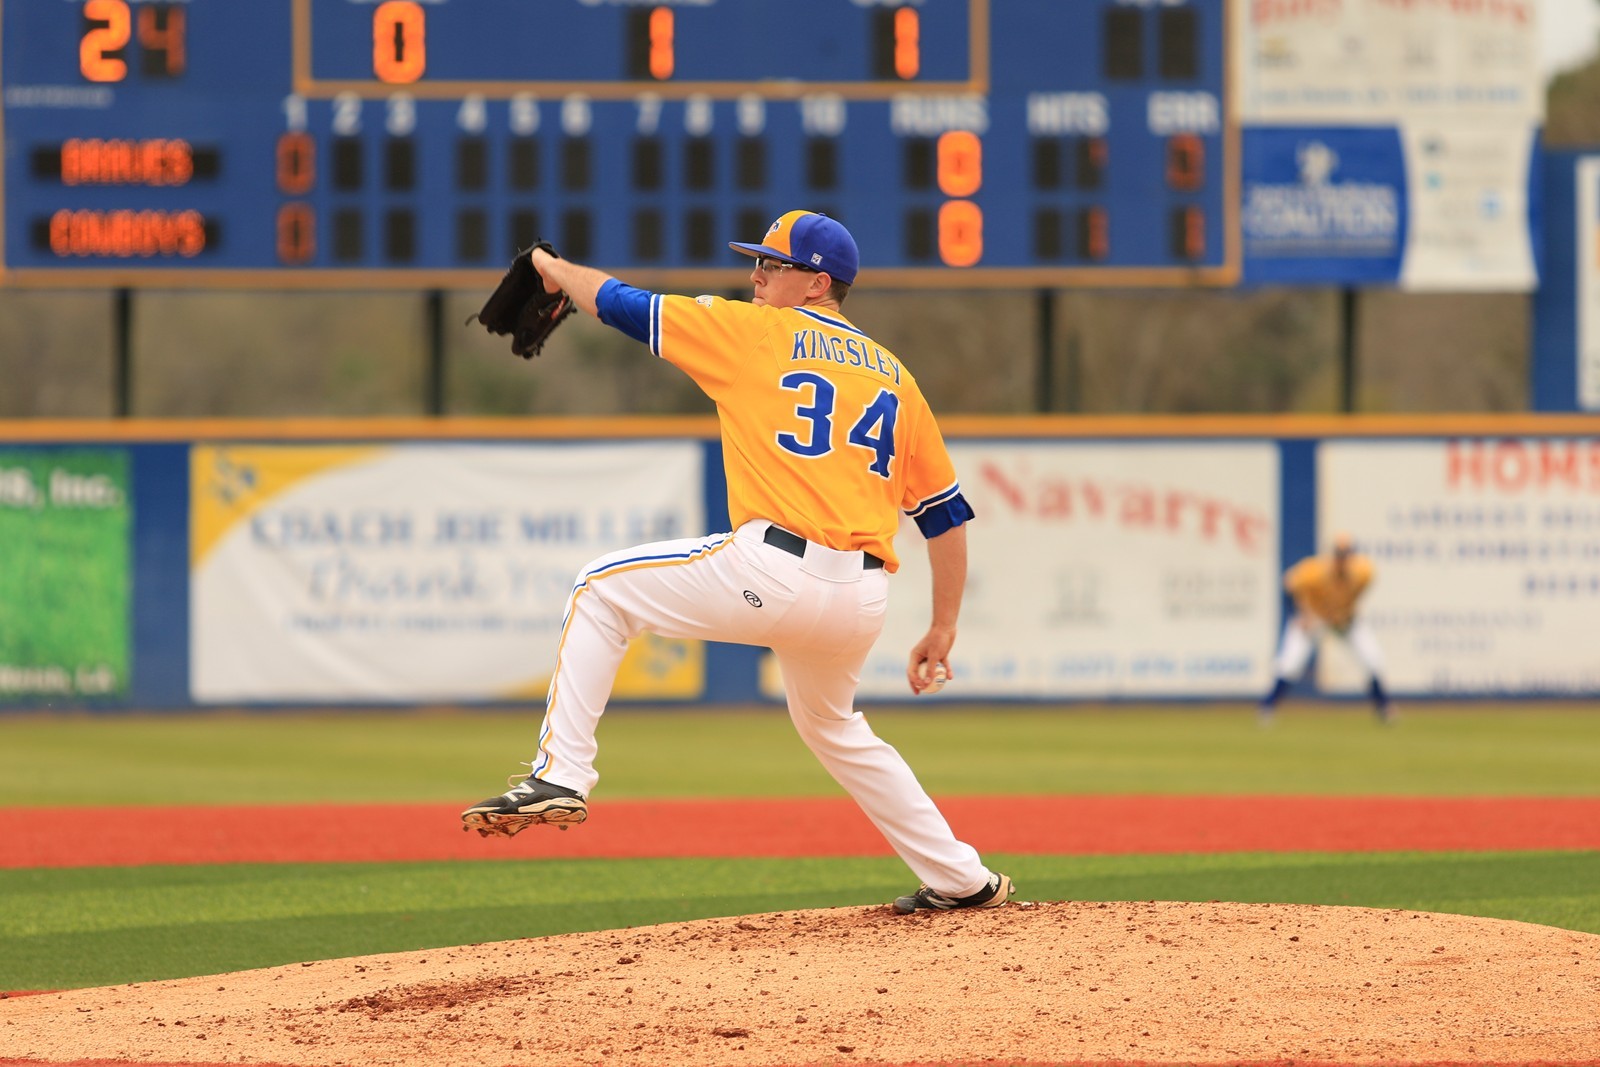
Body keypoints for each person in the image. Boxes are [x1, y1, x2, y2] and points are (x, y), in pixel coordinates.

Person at [462, 210, 1013, 914]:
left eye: (772, 265)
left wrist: (549, 268)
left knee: (600, 590)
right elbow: (944, 513)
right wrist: (943, 625)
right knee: (836, 726)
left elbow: (617, 301)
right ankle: (963, 877)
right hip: (860, 602)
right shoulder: (897, 377)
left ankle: (561, 774)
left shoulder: (754, 332)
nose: (755, 275)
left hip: (774, 570)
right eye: (757, 262)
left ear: (817, 284)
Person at [1258, 531, 1393, 724]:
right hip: (1315, 619)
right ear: (1333, 555)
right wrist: (1302, 616)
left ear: (1351, 556)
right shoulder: (1315, 570)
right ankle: (1267, 708)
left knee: (1373, 659)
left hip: (1344, 620)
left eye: (1346, 555)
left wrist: (1347, 611)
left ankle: (1385, 708)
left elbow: (1359, 593)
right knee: (1289, 663)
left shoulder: (1363, 572)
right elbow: (1288, 585)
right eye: (1339, 554)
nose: (1342, 559)